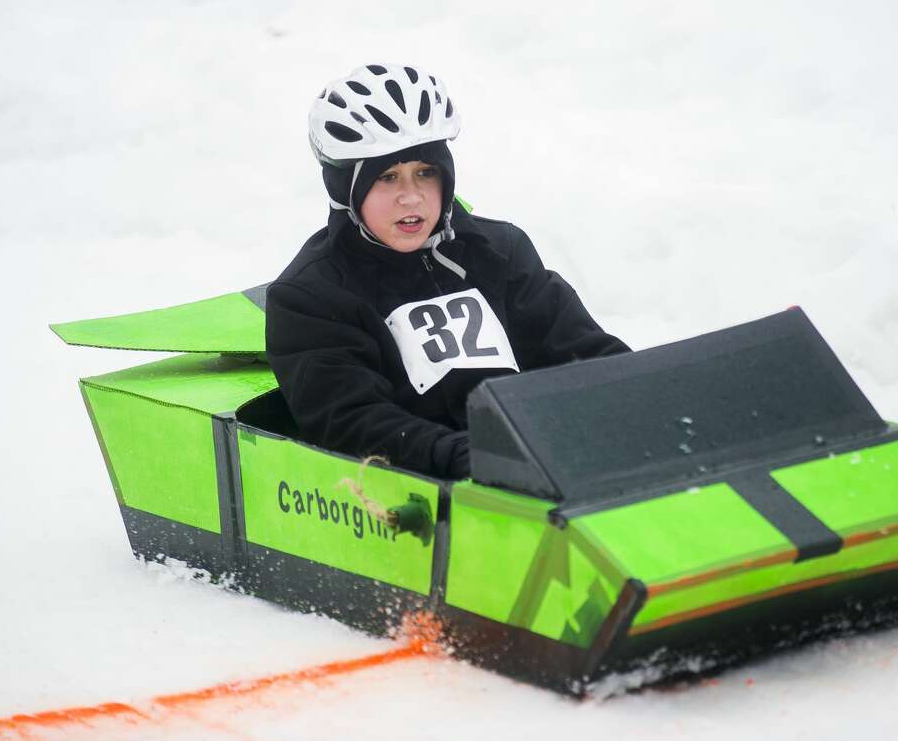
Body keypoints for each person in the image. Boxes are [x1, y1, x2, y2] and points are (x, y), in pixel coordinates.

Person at [265, 63, 629, 480]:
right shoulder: (311, 296)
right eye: (386, 178)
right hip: (425, 492)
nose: (411, 197)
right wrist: (469, 457)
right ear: (344, 189)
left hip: (545, 465)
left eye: (425, 172)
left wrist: (638, 395)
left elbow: (581, 351)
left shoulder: (498, 250)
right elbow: (354, 422)